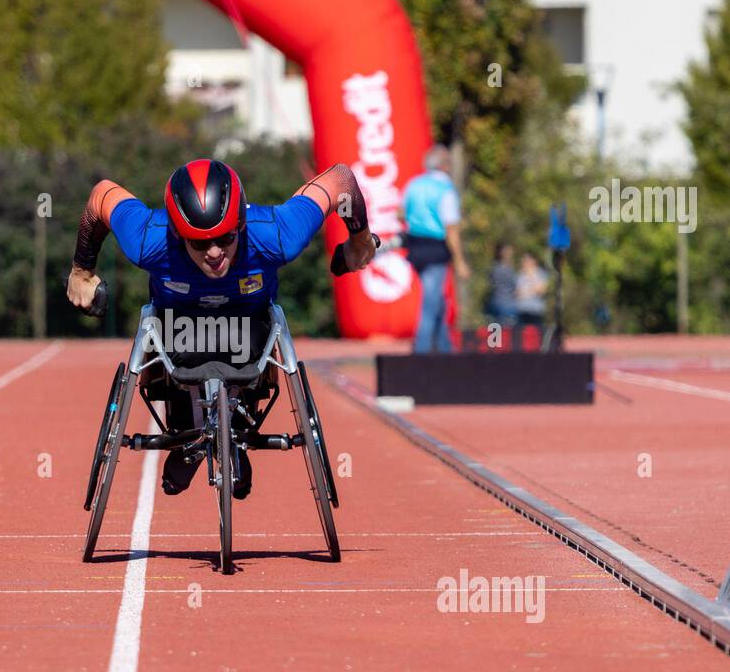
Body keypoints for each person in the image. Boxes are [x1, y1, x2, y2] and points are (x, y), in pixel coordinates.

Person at [66, 158, 377, 498]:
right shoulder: (147, 239)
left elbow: (340, 179)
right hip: (178, 331)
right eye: (199, 243)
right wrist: (81, 270)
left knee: (252, 347)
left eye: (226, 238)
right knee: (174, 353)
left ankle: (237, 432)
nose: (214, 252)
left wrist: (359, 240)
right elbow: (102, 196)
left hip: (248, 329)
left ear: (241, 224)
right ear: (176, 233)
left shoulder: (276, 233)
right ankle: (189, 434)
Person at [399, 144, 469, 353]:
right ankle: (422, 349)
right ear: (445, 166)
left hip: (415, 247)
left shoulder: (414, 184)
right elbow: (451, 229)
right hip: (435, 249)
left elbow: (400, 213)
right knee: (431, 301)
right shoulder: (445, 189)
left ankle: (445, 347)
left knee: (438, 299)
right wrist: (460, 261)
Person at [486, 242, 517, 326]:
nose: (510, 253)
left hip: (499, 302)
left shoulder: (495, 267)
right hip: (505, 304)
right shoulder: (501, 269)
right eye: (508, 251)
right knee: (507, 331)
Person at [515, 252, 550, 329]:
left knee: (536, 333)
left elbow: (541, 290)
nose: (524, 263)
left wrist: (531, 276)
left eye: (527, 261)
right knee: (522, 334)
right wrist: (532, 290)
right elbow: (517, 293)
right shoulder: (519, 275)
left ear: (533, 261)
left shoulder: (541, 273)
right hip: (522, 309)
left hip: (536, 310)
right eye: (523, 261)